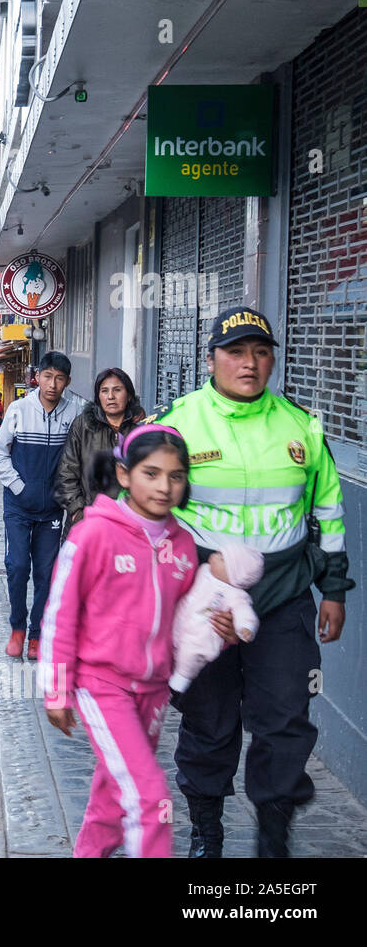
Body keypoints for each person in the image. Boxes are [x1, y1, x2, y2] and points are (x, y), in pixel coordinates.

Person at [148, 307, 355, 857]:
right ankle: (207, 833)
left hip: (285, 597)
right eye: (236, 352)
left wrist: (333, 589)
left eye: (261, 352)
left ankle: (273, 837)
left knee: (285, 723)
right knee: (208, 723)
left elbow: (329, 512)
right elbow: (144, 514)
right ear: (211, 358)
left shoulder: (302, 427)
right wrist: (190, 578)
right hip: (205, 603)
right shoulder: (178, 424)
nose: (250, 363)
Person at [38, 425, 200, 858]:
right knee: (152, 799)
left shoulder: (184, 545)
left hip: (154, 691)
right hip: (101, 685)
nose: (165, 486)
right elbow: (60, 613)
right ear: (125, 475)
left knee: (114, 794)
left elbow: (188, 617)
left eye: (176, 475)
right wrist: (56, 689)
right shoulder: (93, 534)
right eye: (152, 473)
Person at [0, 351, 80, 660]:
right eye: (47, 376)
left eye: (59, 378)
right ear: (37, 377)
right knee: (17, 567)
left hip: (52, 509)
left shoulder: (74, 414)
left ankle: (37, 633)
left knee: (46, 573)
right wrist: (19, 486)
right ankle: (17, 627)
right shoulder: (18, 409)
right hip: (17, 506)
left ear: (67, 382)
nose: (52, 384)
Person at [54, 367, 146, 535]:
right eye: (104, 391)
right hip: (86, 523)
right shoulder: (83, 425)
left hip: (127, 525)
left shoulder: (139, 432)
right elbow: (67, 472)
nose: (110, 396)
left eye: (117, 390)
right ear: (98, 397)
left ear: (129, 395)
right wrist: (78, 512)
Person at [170, 544, 263, 694]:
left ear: (234, 575)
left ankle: (182, 678)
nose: (213, 557)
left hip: (201, 633)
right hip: (180, 620)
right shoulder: (203, 570)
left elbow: (244, 611)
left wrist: (245, 627)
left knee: (190, 654)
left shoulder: (235, 594)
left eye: (221, 558)